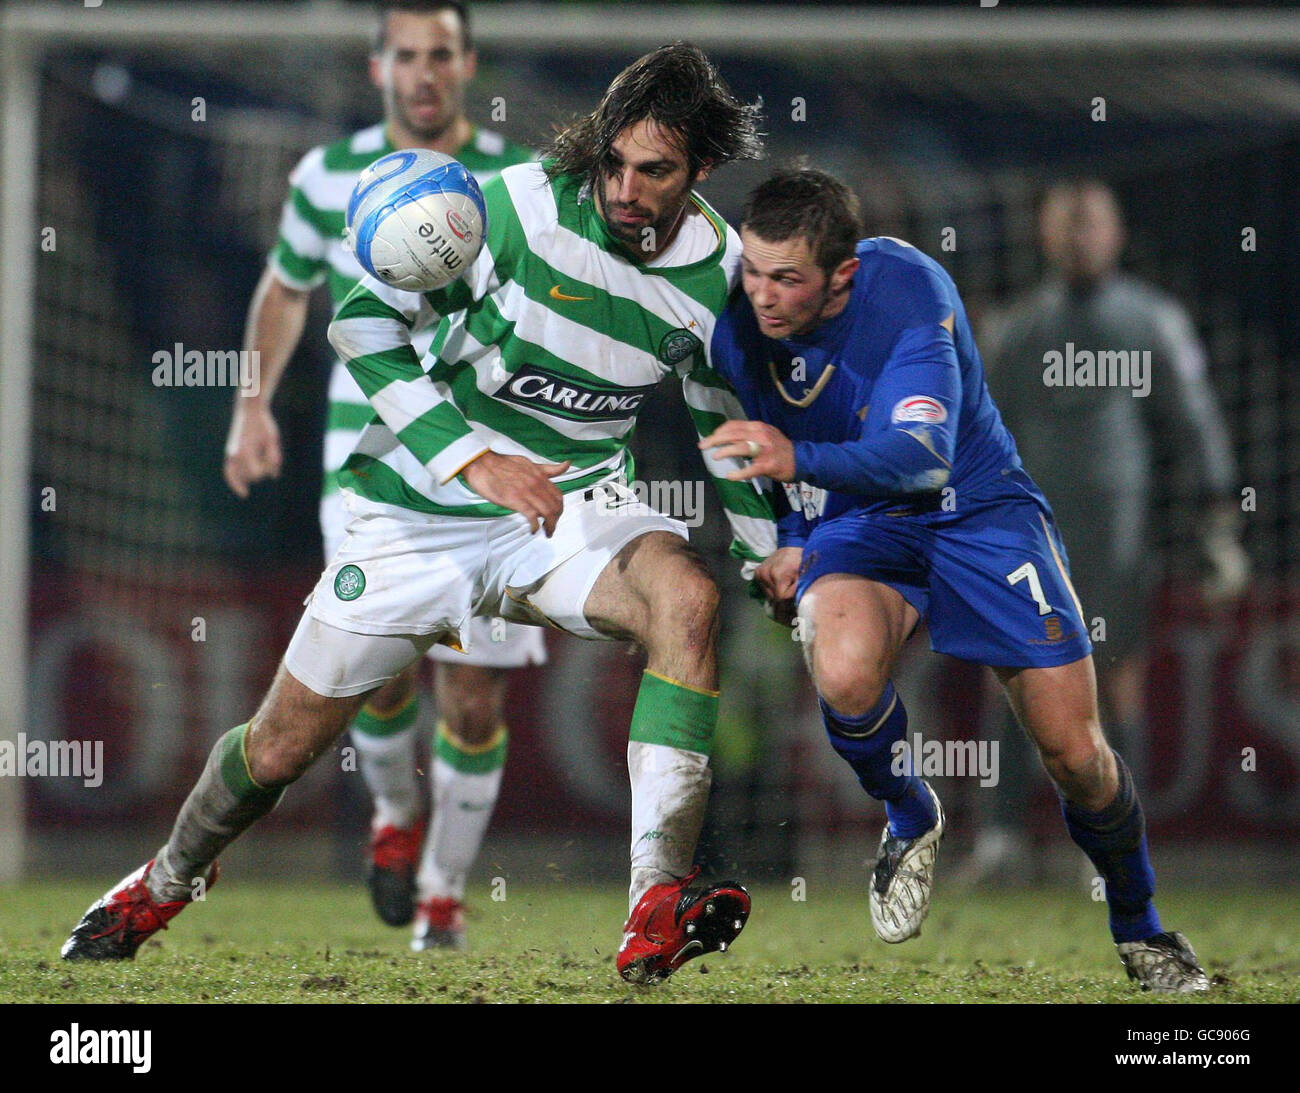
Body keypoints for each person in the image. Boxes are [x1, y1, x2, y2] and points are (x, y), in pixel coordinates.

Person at [64, 42, 776, 987]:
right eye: (613, 161)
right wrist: (474, 459)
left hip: (569, 505)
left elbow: (720, 417)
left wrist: (772, 550)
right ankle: (163, 880)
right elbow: (358, 322)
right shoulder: (510, 208)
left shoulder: (716, 270)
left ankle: (655, 899)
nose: (625, 189)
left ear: (702, 172)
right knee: (280, 747)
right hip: (418, 508)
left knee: (685, 599)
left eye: (655, 172)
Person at [700, 167, 1211, 992]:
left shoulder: (909, 292)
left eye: (786, 278)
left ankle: (1141, 923)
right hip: (864, 519)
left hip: (979, 513)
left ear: (842, 276)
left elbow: (919, 457)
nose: (762, 294)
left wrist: (799, 461)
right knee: (840, 667)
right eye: (754, 270)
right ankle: (910, 812)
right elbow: (756, 439)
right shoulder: (737, 320)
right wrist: (791, 537)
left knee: (1077, 753)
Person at [222, 0, 536, 950]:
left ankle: (442, 893)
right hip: (367, 468)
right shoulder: (329, 177)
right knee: (383, 682)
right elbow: (286, 286)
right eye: (407, 55)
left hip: (486, 460)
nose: (424, 71)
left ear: (468, 62)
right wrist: (250, 402)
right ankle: (396, 816)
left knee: (474, 695)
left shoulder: (514, 184)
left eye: (441, 53)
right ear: (378, 68)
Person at [963, 179, 1248, 882]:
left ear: (1116, 234)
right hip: (1027, 534)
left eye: (1090, 224)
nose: (1079, 237)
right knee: (1014, 674)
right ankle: (1002, 840)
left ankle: (1114, 842)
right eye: (1066, 224)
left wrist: (1218, 522)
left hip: (1116, 536)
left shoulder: (1151, 319)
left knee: (1113, 682)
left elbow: (1197, 420)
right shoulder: (1018, 328)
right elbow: (979, 434)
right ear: (1044, 235)